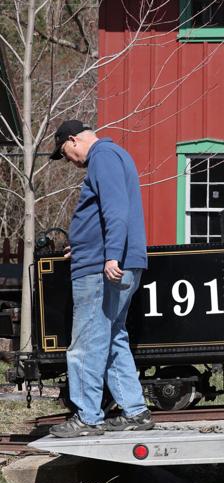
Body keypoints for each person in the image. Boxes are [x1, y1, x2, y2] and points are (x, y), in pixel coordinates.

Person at [48, 120, 153, 437]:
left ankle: (88, 417)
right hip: (113, 260)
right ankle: (135, 411)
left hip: (101, 267)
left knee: (85, 344)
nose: (68, 160)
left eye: (64, 153)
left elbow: (116, 209)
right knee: (112, 338)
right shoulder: (117, 155)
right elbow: (105, 214)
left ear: (72, 140)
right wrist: (80, 245)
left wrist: (109, 255)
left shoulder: (102, 157)